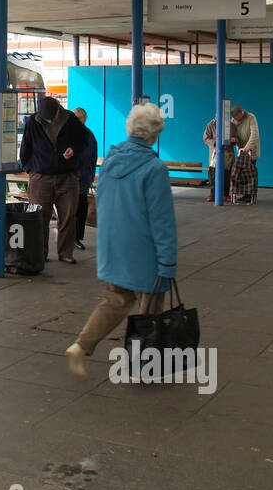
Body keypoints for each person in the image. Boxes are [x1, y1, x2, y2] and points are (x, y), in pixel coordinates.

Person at [65, 103, 176, 379]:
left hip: (113, 247)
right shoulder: (154, 169)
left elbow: (102, 203)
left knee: (115, 300)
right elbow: (162, 221)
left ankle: (81, 346)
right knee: (150, 309)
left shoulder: (111, 161)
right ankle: (145, 366)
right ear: (155, 134)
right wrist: (168, 261)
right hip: (144, 251)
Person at [19, 95, 87, 263]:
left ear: (59, 109)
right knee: (40, 217)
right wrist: (31, 170)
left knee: (68, 216)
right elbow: (25, 148)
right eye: (46, 119)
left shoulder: (71, 119)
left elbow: (84, 140)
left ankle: (65, 253)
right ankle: (40, 253)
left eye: (53, 117)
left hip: (67, 176)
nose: (50, 121)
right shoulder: (33, 122)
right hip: (41, 177)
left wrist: (74, 150)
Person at [71, 107, 99, 250]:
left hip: (82, 179)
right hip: (71, 179)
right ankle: (71, 237)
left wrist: (90, 177)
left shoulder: (89, 136)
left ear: (84, 119)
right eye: (75, 117)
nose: (77, 120)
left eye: (80, 118)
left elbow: (91, 158)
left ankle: (76, 237)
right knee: (71, 210)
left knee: (80, 209)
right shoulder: (69, 133)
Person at [229, 105, 260, 205]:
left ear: (241, 113)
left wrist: (248, 147)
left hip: (251, 151)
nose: (234, 119)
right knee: (240, 173)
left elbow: (254, 134)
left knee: (249, 172)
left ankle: (249, 194)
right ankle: (244, 193)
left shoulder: (251, 117)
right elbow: (233, 133)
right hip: (241, 151)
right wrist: (234, 139)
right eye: (233, 117)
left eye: (235, 117)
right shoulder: (233, 121)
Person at [202, 116, 236, 202]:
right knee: (213, 173)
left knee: (227, 174)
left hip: (228, 152)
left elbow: (237, 138)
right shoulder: (211, 125)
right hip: (215, 153)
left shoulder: (232, 125)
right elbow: (205, 138)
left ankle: (226, 194)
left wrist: (234, 140)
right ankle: (212, 194)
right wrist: (214, 142)